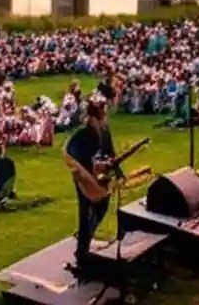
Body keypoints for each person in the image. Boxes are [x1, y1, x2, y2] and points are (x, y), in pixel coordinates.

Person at [62, 99, 117, 275]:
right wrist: (91, 169)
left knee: (102, 205)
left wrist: (113, 168)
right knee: (85, 213)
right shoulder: (83, 134)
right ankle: (82, 252)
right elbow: (73, 153)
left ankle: (86, 237)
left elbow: (111, 152)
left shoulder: (105, 130)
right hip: (84, 178)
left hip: (101, 179)